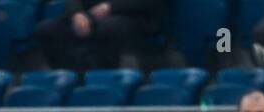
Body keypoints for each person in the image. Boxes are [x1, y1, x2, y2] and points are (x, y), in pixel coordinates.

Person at [34, 0, 166, 72]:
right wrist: (76, 13)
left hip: (132, 17)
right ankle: (70, 79)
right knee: (47, 29)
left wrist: (111, 6)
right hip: (91, 16)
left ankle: (104, 80)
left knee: (109, 27)